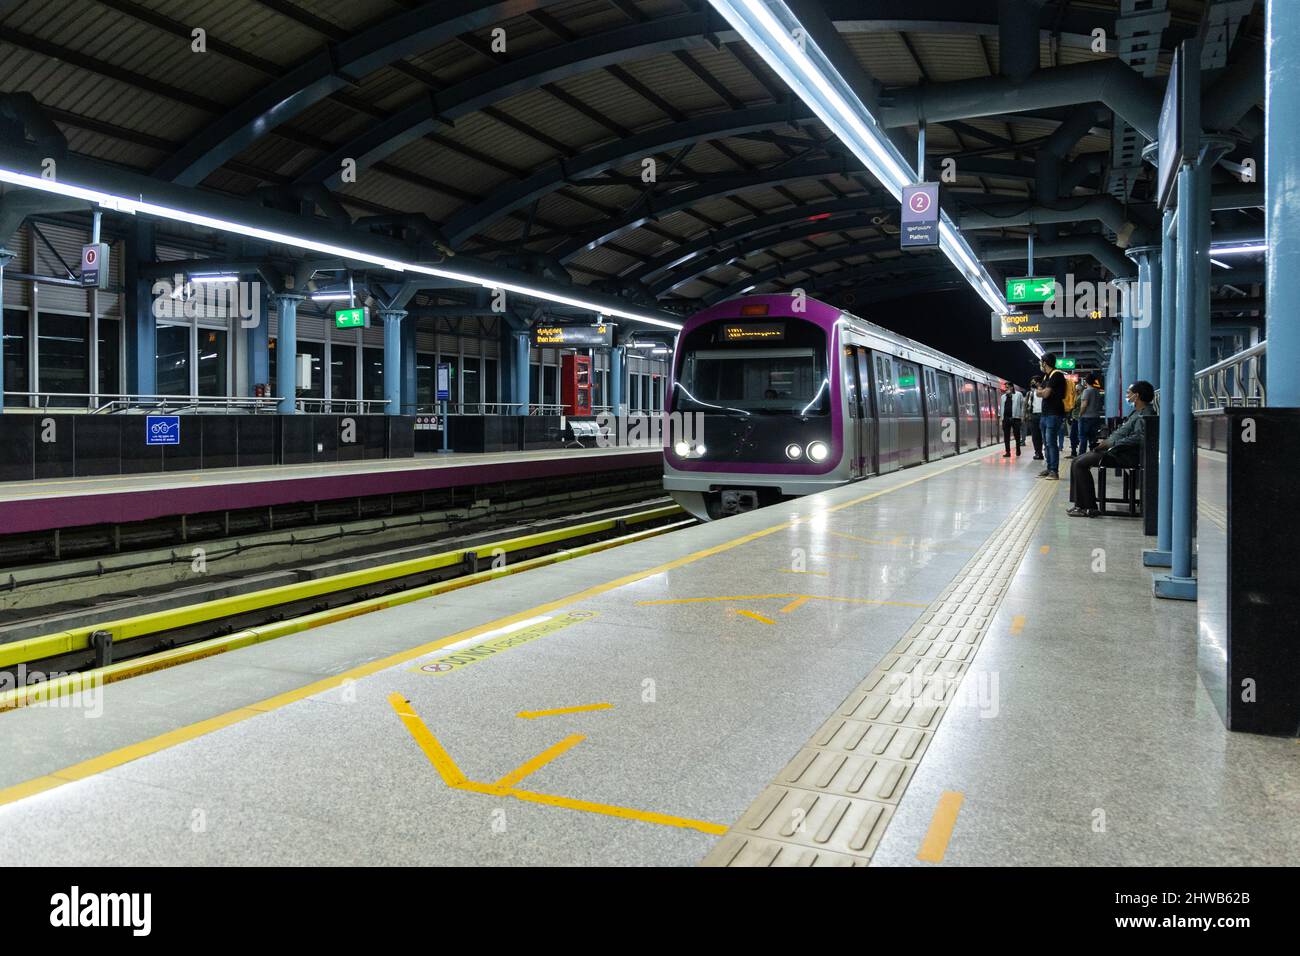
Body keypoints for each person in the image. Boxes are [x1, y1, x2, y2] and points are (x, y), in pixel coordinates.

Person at [1067, 380, 1156, 517]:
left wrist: (1112, 444)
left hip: (1124, 455)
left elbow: (1140, 437)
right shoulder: (1137, 412)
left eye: (1129, 393)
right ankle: (1080, 505)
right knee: (1077, 461)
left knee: (1080, 463)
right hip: (1118, 452)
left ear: (1136, 396)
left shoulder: (1145, 414)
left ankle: (1089, 507)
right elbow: (1124, 433)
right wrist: (1108, 443)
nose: (1127, 396)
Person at [1035, 354, 1067, 480]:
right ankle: (1049, 468)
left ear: (1045, 363)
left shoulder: (1057, 375)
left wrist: (1042, 392)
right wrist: (1042, 392)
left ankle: (1054, 471)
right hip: (1045, 414)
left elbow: (1045, 394)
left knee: (1051, 443)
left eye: (1040, 362)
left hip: (1054, 414)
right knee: (1046, 443)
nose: (1040, 364)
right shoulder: (1046, 376)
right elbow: (1038, 392)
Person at [1077, 376, 1104, 452]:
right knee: (1093, 439)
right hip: (1096, 417)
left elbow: (1084, 404)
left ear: (1086, 382)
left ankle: (1082, 456)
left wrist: (1080, 414)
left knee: (1083, 438)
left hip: (1086, 417)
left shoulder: (1086, 391)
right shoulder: (1097, 392)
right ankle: (1093, 455)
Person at [1000, 383, 1023, 457]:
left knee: (1017, 435)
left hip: (1015, 418)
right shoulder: (1003, 397)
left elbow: (1022, 406)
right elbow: (1002, 407)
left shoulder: (1018, 394)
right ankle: (1007, 452)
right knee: (1006, 436)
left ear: (1012, 387)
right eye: (1005, 387)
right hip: (1006, 418)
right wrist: (1002, 418)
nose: (1006, 389)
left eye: (1007, 387)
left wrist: (1022, 416)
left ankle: (1018, 449)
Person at [1024, 376, 1043, 460]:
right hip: (1033, 416)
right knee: (1035, 436)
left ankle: (1043, 452)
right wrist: (1025, 415)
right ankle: (1038, 453)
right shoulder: (1029, 393)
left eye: (1033, 382)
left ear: (1038, 382)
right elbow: (1026, 405)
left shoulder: (1043, 391)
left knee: (1043, 436)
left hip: (1042, 415)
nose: (1032, 384)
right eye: (1031, 382)